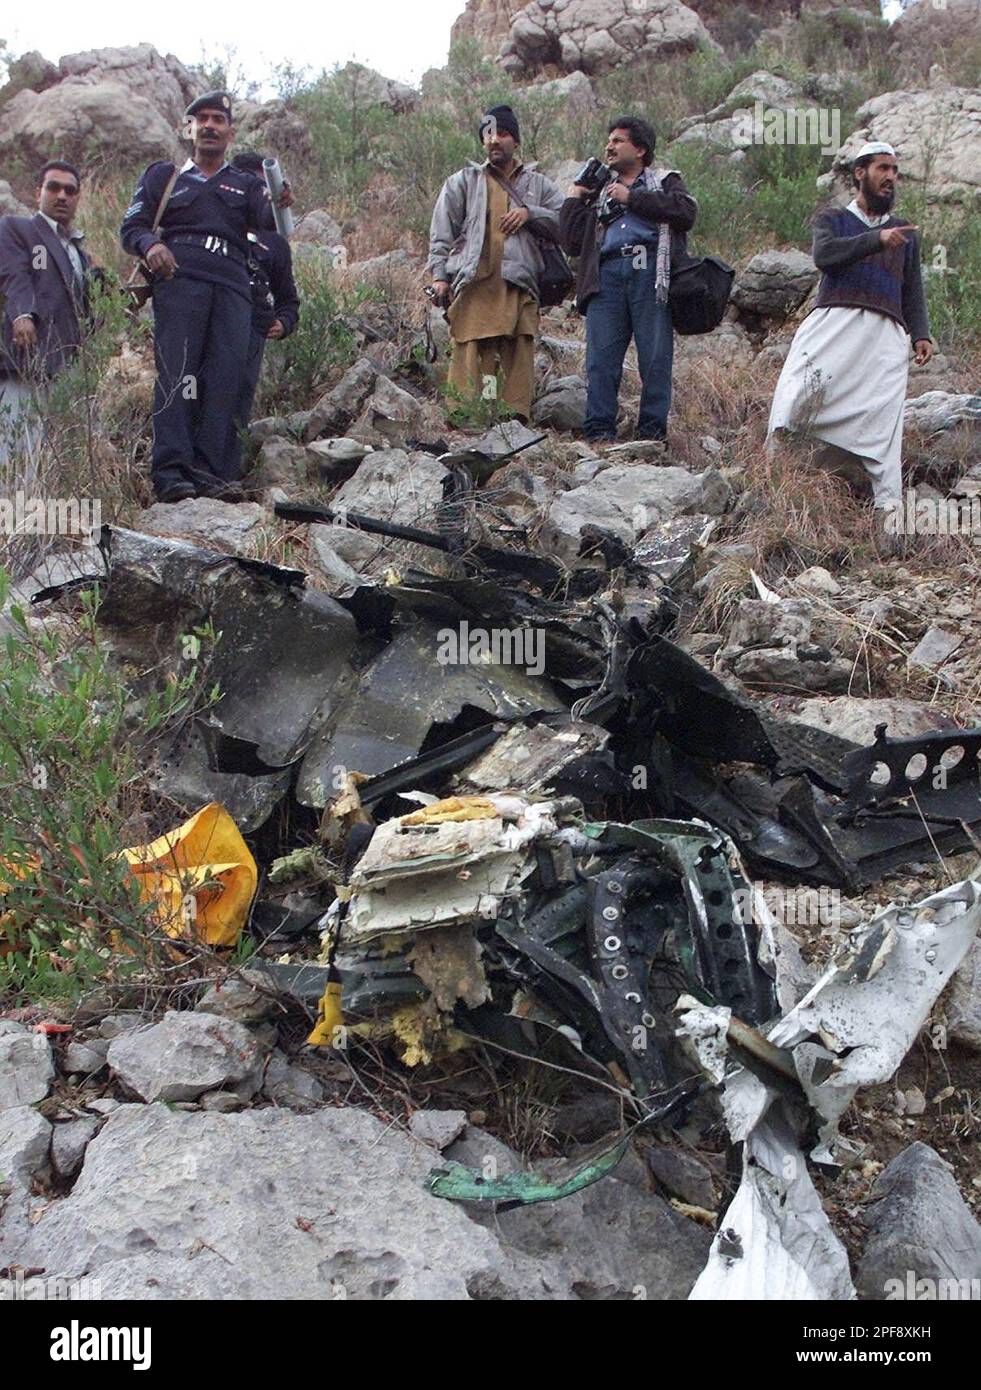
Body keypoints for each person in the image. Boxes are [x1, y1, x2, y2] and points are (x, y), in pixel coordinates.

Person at [120, 92, 293, 503]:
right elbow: (132, 227)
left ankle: (211, 473)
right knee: (179, 374)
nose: (210, 126)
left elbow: (271, 221)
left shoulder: (247, 184)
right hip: (180, 282)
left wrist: (280, 200)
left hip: (233, 289)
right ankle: (171, 472)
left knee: (223, 378)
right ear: (189, 129)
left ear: (230, 133)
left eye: (219, 120)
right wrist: (150, 246)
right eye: (203, 119)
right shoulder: (164, 177)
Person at [767, 142, 933, 519]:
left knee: (881, 423)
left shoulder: (904, 232)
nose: (890, 176)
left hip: (885, 336)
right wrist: (875, 240)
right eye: (882, 168)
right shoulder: (832, 219)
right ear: (860, 173)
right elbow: (825, 257)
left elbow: (912, 287)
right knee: (795, 401)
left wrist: (920, 332)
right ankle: (778, 482)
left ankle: (886, 511)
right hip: (833, 327)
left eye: (894, 170)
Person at [560, 116, 697, 445]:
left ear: (640, 149)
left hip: (650, 272)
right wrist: (575, 196)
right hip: (605, 275)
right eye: (609, 140)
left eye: (619, 140)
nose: (609, 146)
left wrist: (631, 198)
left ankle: (651, 433)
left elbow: (686, 212)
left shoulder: (664, 181)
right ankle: (598, 430)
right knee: (600, 359)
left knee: (654, 357)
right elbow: (570, 241)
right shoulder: (598, 189)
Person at [427, 104, 564, 424]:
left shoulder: (539, 185)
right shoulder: (462, 182)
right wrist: (439, 277)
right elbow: (441, 233)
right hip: (475, 280)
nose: (494, 141)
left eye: (502, 133)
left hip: (520, 280)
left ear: (514, 140)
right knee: (475, 348)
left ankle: (511, 416)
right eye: (488, 134)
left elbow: (566, 225)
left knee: (518, 346)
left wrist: (531, 213)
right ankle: (473, 413)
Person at [0, 160, 95, 471]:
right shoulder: (18, 228)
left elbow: (87, 312)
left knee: (52, 462)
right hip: (24, 360)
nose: (62, 195)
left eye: (70, 190)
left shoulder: (79, 252)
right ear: (38, 192)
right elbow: (15, 275)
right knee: (13, 456)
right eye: (53, 187)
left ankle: (37, 520)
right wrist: (22, 314)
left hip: (64, 371)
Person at [227, 152, 300, 476]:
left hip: (253, 331)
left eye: (260, 184)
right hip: (211, 321)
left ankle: (225, 475)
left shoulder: (275, 243)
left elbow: (289, 300)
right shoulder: (215, 227)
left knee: (239, 400)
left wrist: (282, 323)